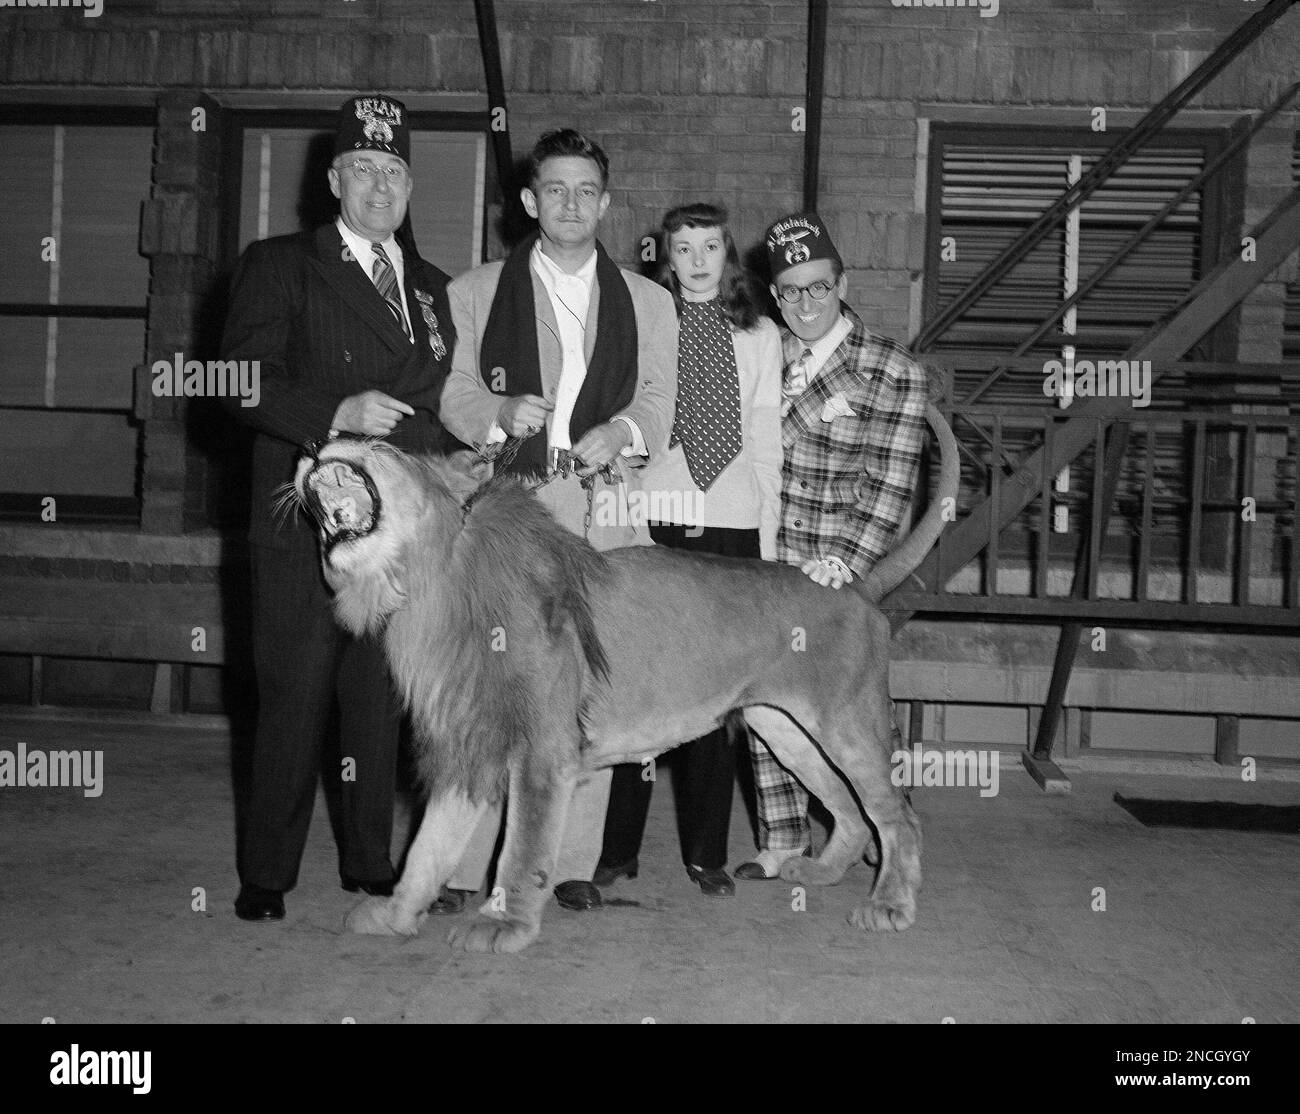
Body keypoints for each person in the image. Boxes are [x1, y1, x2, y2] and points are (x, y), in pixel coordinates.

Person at [222, 94, 458, 921]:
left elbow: (433, 408)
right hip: (304, 526)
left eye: (392, 171)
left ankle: (368, 859)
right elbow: (241, 381)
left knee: (376, 697)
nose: (378, 185)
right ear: (333, 179)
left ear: (409, 185)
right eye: (362, 168)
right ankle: (267, 875)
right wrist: (336, 411)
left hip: (395, 533)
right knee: (293, 694)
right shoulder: (281, 262)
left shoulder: (430, 289)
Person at [439, 128, 678, 912]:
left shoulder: (648, 301)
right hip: (513, 508)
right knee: (496, 682)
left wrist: (624, 432)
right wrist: (501, 411)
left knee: (589, 687)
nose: (571, 204)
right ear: (530, 201)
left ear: (605, 204)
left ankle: (566, 864)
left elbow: (658, 402)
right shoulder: (473, 292)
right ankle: (471, 866)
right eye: (556, 190)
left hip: (605, 507)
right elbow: (451, 394)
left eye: (587, 191)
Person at [593, 202, 782, 898]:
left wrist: (767, 530)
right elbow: (623, 422)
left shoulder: (760, 335)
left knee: (716, 685)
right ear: (664, 256)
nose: (698, 260)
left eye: (710, 247)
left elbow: (766, 438)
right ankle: (617, 851)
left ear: (726, 254)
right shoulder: (647, 324)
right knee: (638, 680)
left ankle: (707, 852)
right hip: (658, 514)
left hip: (732, 516)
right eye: (683, 247)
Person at [735, 212, 928, 881]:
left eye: (818, 288)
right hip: (764, 560)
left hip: (837, 566)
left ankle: (887, 829)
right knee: (763, 701)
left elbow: (891, 483)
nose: (805, 304)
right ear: (774, 296)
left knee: (850, 709)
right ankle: (785, 839)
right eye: (790, 292)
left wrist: (845, 561)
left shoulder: (889, 369)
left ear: (842, 283)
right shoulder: (764, 352)